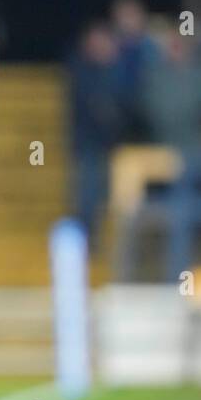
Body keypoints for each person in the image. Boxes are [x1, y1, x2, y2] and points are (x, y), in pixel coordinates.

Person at [68, 21, 124, 244]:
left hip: (116, 145)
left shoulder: (119, 72)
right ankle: (88, 240)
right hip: (89, 145)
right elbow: (89, 106)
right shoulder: (82, 71)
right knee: (88, 193)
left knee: (114, 195)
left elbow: (127, 104)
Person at [109, 0, 160, 142]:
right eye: (124, 16)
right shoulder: (108, 49)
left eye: (132, 16)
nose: (128, 21)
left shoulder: (152, 49)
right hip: (118, 117)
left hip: (148, 115)